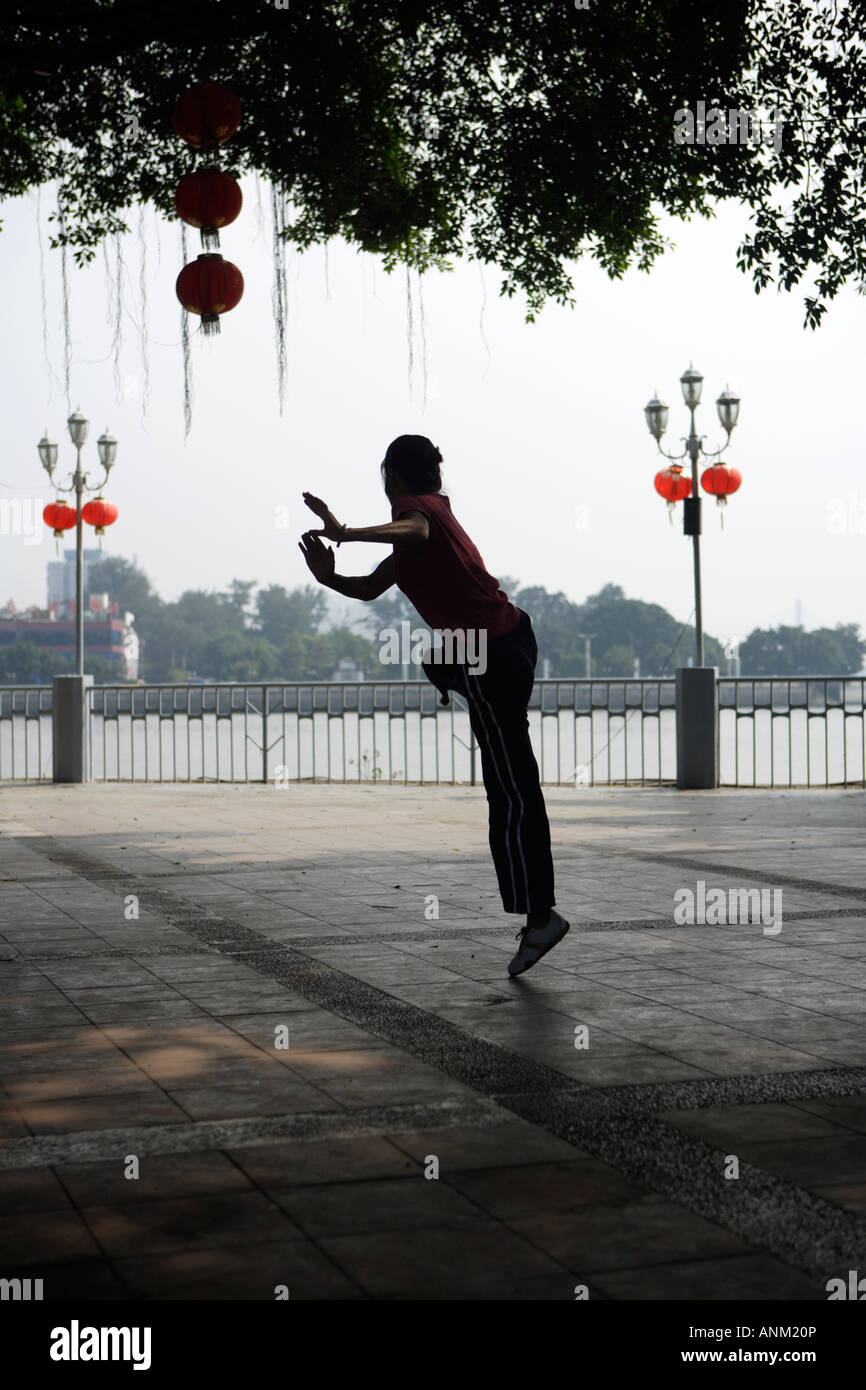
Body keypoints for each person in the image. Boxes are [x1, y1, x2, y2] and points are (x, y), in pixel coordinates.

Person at [299, 434, 569, 977]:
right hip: (502, 645)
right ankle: (538, 914)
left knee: (512, 791)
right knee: (510, 781)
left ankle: (541, 916)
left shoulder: (419, 513)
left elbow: (413, 527)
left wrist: (346, 532)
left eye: (386, 477)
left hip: (492, 655)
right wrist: (330, 578)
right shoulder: (423, 531)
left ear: (392, 477)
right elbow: (372, 589)